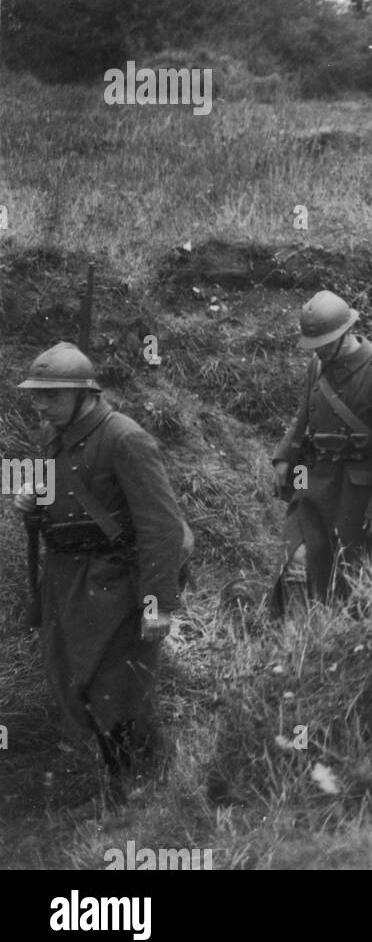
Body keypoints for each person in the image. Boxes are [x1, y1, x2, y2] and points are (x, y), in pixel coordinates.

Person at [13, 343, 191, 800]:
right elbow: (53, 490)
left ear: (83, 394)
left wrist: (157, 605)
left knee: (119, 688)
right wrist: (30, 501)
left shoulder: (125, 438)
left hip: (115, 582)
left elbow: (162, 527)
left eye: (50, 396)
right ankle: (121, 781)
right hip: (66, 579)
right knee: (73, 683)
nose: (41, 405)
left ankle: (143, 789)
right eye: (37, 396)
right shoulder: (51, 435)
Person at [272, 291, 372, 612]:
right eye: (315, 345)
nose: (319, 351)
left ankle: (343, 638)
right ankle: (297, 638)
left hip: (358, 495)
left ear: (345, 333)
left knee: (357, 580)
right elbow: (303, 417)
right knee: (295, 559)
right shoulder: (317, 366)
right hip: (315, 484)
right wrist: (284, 458)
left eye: (324, 343)